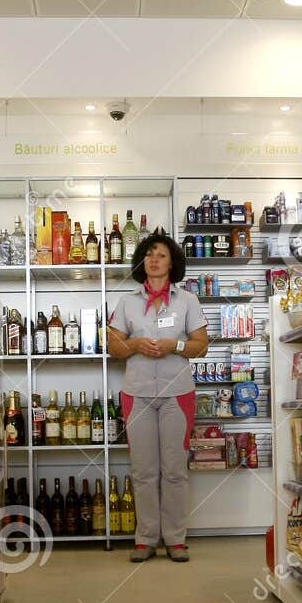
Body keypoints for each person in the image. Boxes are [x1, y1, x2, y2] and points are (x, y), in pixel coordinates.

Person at [106, 234, 208, 562]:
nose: (154, 260)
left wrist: (172, 345)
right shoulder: (127, 302)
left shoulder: (187, 301)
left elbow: (200, 345)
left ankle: (176, 538)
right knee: (143, 470)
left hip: (178, 394)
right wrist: (135, 345)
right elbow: (113, 347)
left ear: (172, 262)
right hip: (136, 395)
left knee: (175, 469)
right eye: (149, 254)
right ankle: (146, 537)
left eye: (161, 255)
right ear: (141, 261)